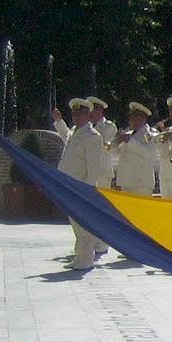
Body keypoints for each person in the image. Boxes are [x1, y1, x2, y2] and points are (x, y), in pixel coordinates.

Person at [57, 97, 107, 269]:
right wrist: (58, 121)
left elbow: (93, 167)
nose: (78, 117)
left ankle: (86, 258)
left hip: (80, 186)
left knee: (83, 224)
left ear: (88, 115)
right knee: (75, 223)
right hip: (68, 184)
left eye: (82, 114)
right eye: (75, 113)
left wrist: (87, 189)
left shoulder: (93, 136)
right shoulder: (74, 132)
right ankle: (80, 255)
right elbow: (66, 141)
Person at [111, 101, 159, 196]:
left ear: (144, 119)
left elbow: (149, 154)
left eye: (137, 119)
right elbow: (114, 152)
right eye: (131, 119)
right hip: (126, 180)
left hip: (141, 182)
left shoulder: (150, 133)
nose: (133, 121)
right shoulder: (128, 133)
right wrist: (116, 141)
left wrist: (130, 142)